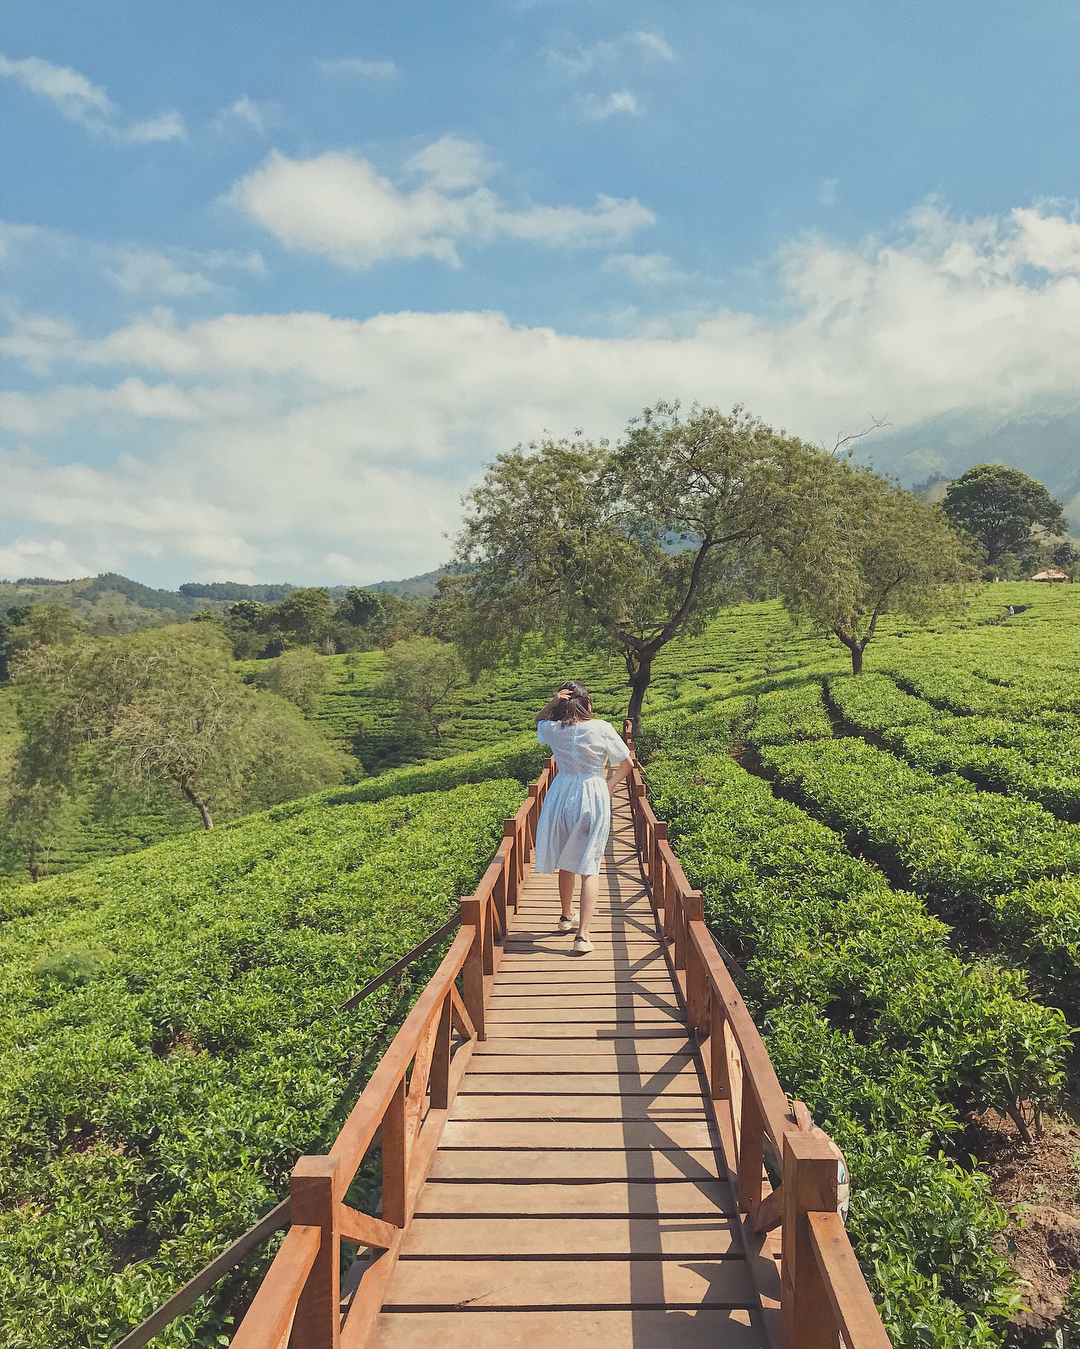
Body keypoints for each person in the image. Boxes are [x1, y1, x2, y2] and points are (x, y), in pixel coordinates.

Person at [533, 681, 633, 954]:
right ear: (588, 703)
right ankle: (583, 935)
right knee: (590, 865)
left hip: (562, 792)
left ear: (563, 705)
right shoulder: (601, 728)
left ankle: (566, 916)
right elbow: (627, 764)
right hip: (592, 791)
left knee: (567, 857)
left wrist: (553, 703)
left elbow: (538, 720)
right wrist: (609, 786)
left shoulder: (554, 729)